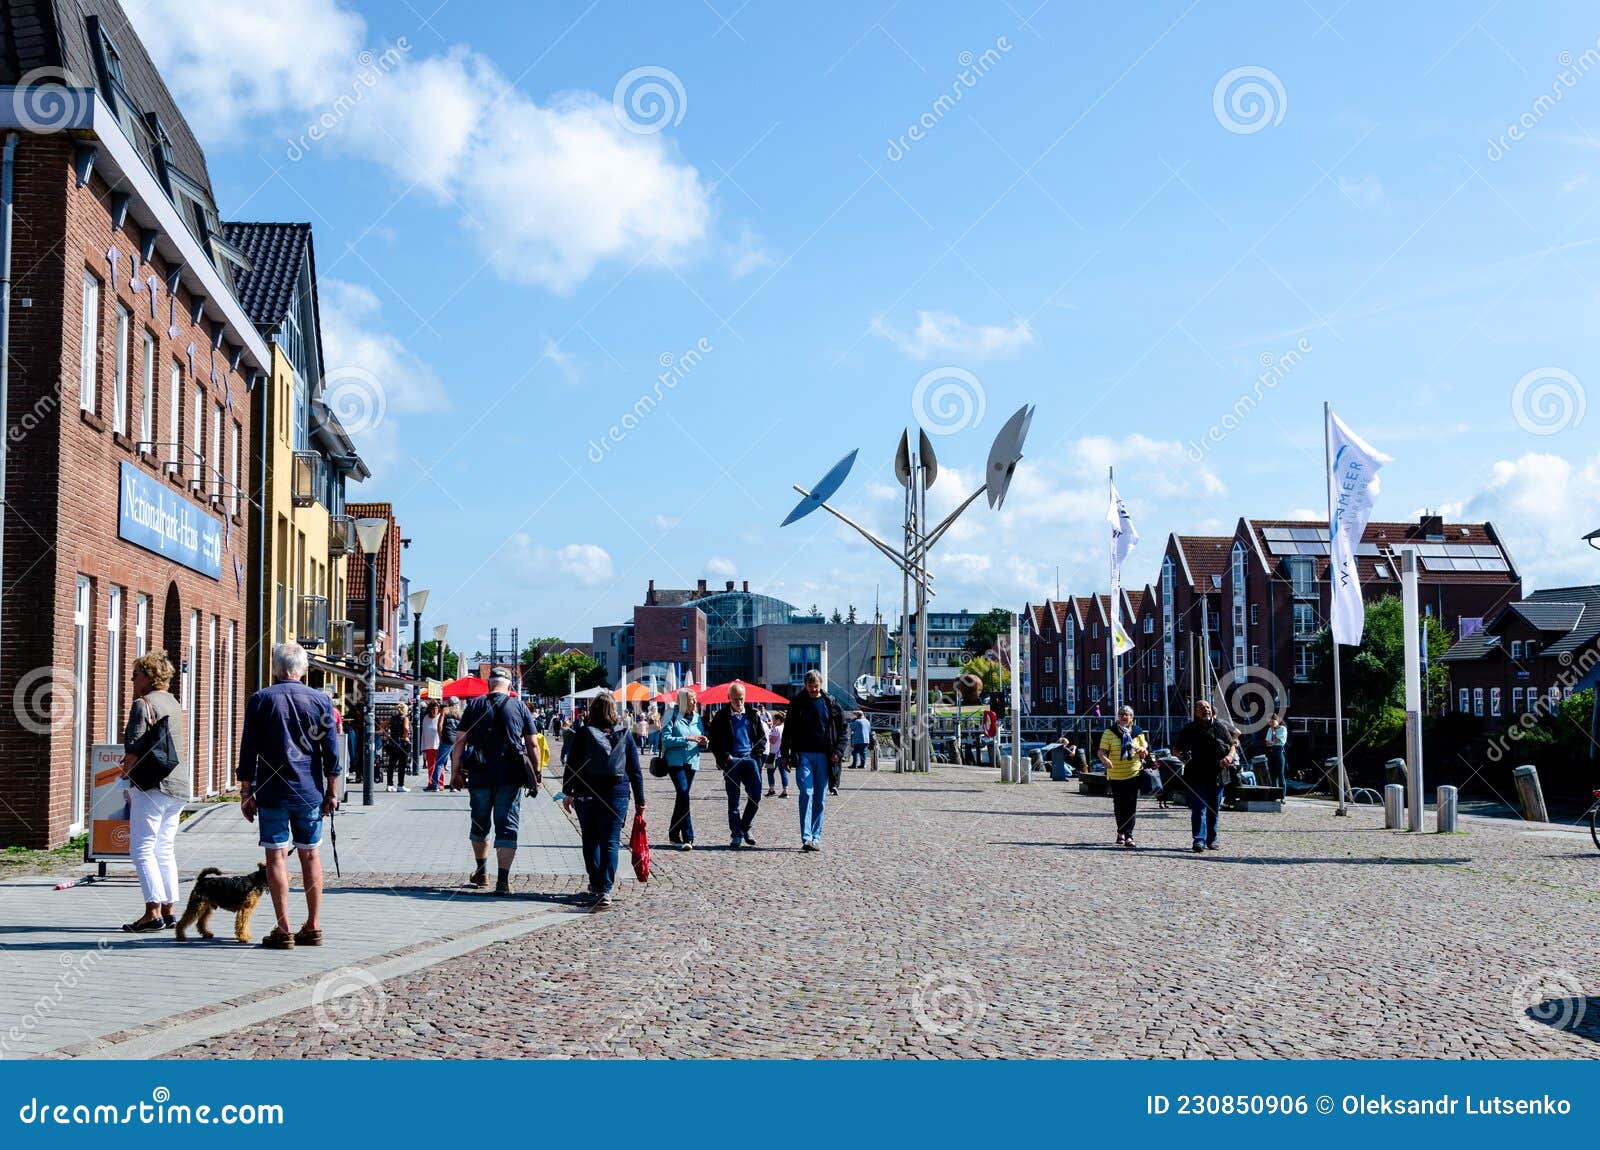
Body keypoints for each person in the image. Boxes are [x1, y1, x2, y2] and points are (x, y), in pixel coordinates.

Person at [237, 642, 341, 949]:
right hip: (309, 791)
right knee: (311, 855)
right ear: (302, 669)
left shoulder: (260, 700)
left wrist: (246, 790)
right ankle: (313, 925)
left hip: (272, 792)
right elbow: (331, 751)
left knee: (276, 858)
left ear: (275, 668)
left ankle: (283, 930)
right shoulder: (321, 701)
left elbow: (248, 749)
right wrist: (332, 792)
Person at [452, 670, 542, 894]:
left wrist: (455, 771)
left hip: (479, 774)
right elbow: (532, 743)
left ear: (488, 684)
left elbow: (460, 740)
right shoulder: (519, 706)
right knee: (507, 825)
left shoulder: (474, 705)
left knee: (480, 822)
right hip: (510, 776)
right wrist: (536, 773)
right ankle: (503, 881)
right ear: (509, 686)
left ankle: (481, 872)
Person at [119, 650, 189, 932]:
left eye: (135, 674)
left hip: (152, 785)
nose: (132, 679)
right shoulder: (173, 702)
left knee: (142, 848)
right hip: (179, 786)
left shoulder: (143, 704)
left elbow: (133, 749)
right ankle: (170, 909)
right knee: (164, 849)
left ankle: (152, 912)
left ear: (148, 677)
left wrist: (125, 775)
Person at [563, 690, 645, 908]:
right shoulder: (624, 733)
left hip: (586, 792)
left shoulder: (583, 732)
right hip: (616, 792)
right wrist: (640, 800)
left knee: (590, 840)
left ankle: (596, 883)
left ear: (593, 709)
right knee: (611, 841)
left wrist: (567, 791)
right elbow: (635, 770)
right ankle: (606, 889)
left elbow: (571, 764)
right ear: (614, 710)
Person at [783, 671, 847, 851]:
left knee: (820, 797)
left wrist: (839, 751)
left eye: (816, 686)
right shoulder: (797, 703)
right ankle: (806, 837)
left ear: (820, 685)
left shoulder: (831, 703)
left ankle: (816, 837)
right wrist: (784, 754)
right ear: (805, 685)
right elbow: (787, 729)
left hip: (825, 756)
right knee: (806, 793)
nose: (813, 689)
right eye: (810, 686)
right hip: (803, 755)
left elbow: (843, 730)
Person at [707, 683, 768, 849]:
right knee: (733, 801)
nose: (739, 702)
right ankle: (736, 834)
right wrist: (725, 757)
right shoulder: (721, 716)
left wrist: (756, 757)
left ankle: (745, 826)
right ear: (729, 698)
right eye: (735, 699)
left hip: (750, 760)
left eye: (741, 698)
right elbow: (714, 741)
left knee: (756, 796)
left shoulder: (752, 714)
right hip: (732, 761)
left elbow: (761, 739)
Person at [1174, 699, 1236, 853]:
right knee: (1198, 809)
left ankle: (1212, 839)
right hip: (1196, 774)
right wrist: (1181, 757)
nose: (1205, 710)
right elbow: (1176, 748)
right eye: (1201, 708)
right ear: (1196, 712)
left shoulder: (1220, 726)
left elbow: (1233, 745)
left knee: (1213, 809)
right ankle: (1199, 840)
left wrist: (1229, 757)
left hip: (1218, 774)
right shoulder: (1190, 728)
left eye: (1207, 707)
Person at [1096, 705, 1149, 848]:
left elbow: (1145, 752)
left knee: (1131, 805)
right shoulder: (1109, 732)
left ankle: (1129, 835)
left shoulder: (1138, 732)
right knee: (1119, 805)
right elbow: (1101, 752)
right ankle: (1120, 831)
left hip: (1133, 772)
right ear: (1118, 717)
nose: (1124, 717)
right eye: (1121, 714)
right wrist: (1105, 760)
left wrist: (1142, 750)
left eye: (1127, 714)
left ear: (1132, 718)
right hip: (1116, 774)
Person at [660, 689, 707, 849]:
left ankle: (673, 834)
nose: (695, 702)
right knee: (683, 793)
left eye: (695, 699)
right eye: (692, 699)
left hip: (692, 761)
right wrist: (686, 738)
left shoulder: (697, 718)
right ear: (684, 701)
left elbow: (701, 737)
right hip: (675, 762)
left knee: (682, 797)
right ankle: (688, 837)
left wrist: (703, 741)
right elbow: (666, 740)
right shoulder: (670, 715)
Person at [432, 698, 461, 791]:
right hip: (456, 740)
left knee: (439, 762)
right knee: (454, 763)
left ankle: (435, 785)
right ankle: (453, 786)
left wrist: (440, 737)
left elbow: (440, 725)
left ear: (449, 703)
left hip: (446, 738)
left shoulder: (445, 710)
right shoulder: (460, 713)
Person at [384, 702, 411, 792]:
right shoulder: (405, 718)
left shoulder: (392, 718)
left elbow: (383, 725)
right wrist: (405, 736)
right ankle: (400, 785)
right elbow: (406, 728)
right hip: (402, 743)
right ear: (405, 710)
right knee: (402, 764)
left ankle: (389, 785)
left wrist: (387, 734)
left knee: (391, 764)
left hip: (393, 742)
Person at [765, 712, 788, 797]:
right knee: (783, 773)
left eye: (774, 719)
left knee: (770, 772)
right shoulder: (785, 728)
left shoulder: (776, 728)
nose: (773, 720)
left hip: (774, 754)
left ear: (778, 720)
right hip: (783, 753)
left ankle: (772, 789)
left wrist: (769, 736)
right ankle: (785, 790)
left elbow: (772, 741)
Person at [419, 701, 440, 790]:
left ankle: (439, 784)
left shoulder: (440, 717)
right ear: (430, 710)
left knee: (439, 765)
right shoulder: (426, 718)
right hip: (428, 745)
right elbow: (423, 733)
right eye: (433, 708)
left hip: (438, 745)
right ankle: (431, 782)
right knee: (430, 766)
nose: (435, 710)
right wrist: (422, 746)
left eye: (436, 708)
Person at [1265, 712, 1288, 793]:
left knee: (1280, 774)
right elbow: (1267, 743)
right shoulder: (1269, 729)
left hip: (1279, 751)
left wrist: (1274, 732)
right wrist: (1273, 741)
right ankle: (1274, 795)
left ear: (1277, 721)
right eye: (1269, 722)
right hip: (1271, 752)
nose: (1271, 724)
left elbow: (1277, 740)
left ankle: (1282, 796)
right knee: (1272, 775)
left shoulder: (1282, 729)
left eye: (1272, 722)